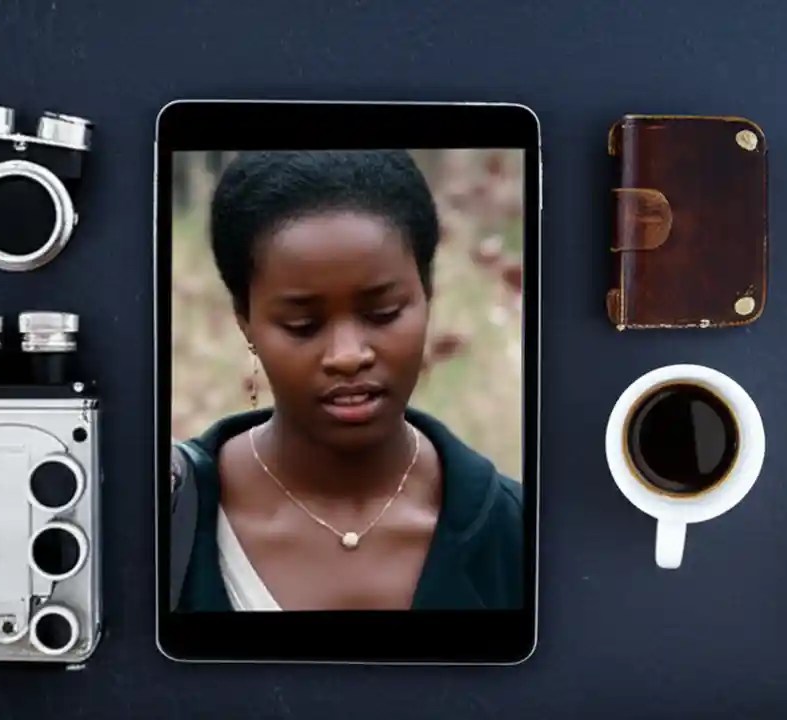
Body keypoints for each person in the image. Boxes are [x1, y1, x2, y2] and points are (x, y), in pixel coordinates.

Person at [169, 150, 523, 611]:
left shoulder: (517, 535)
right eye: (302, 325)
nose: (348, 356)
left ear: (428, 292)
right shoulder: (168, 524)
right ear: (245, 320)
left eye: (383, 314)